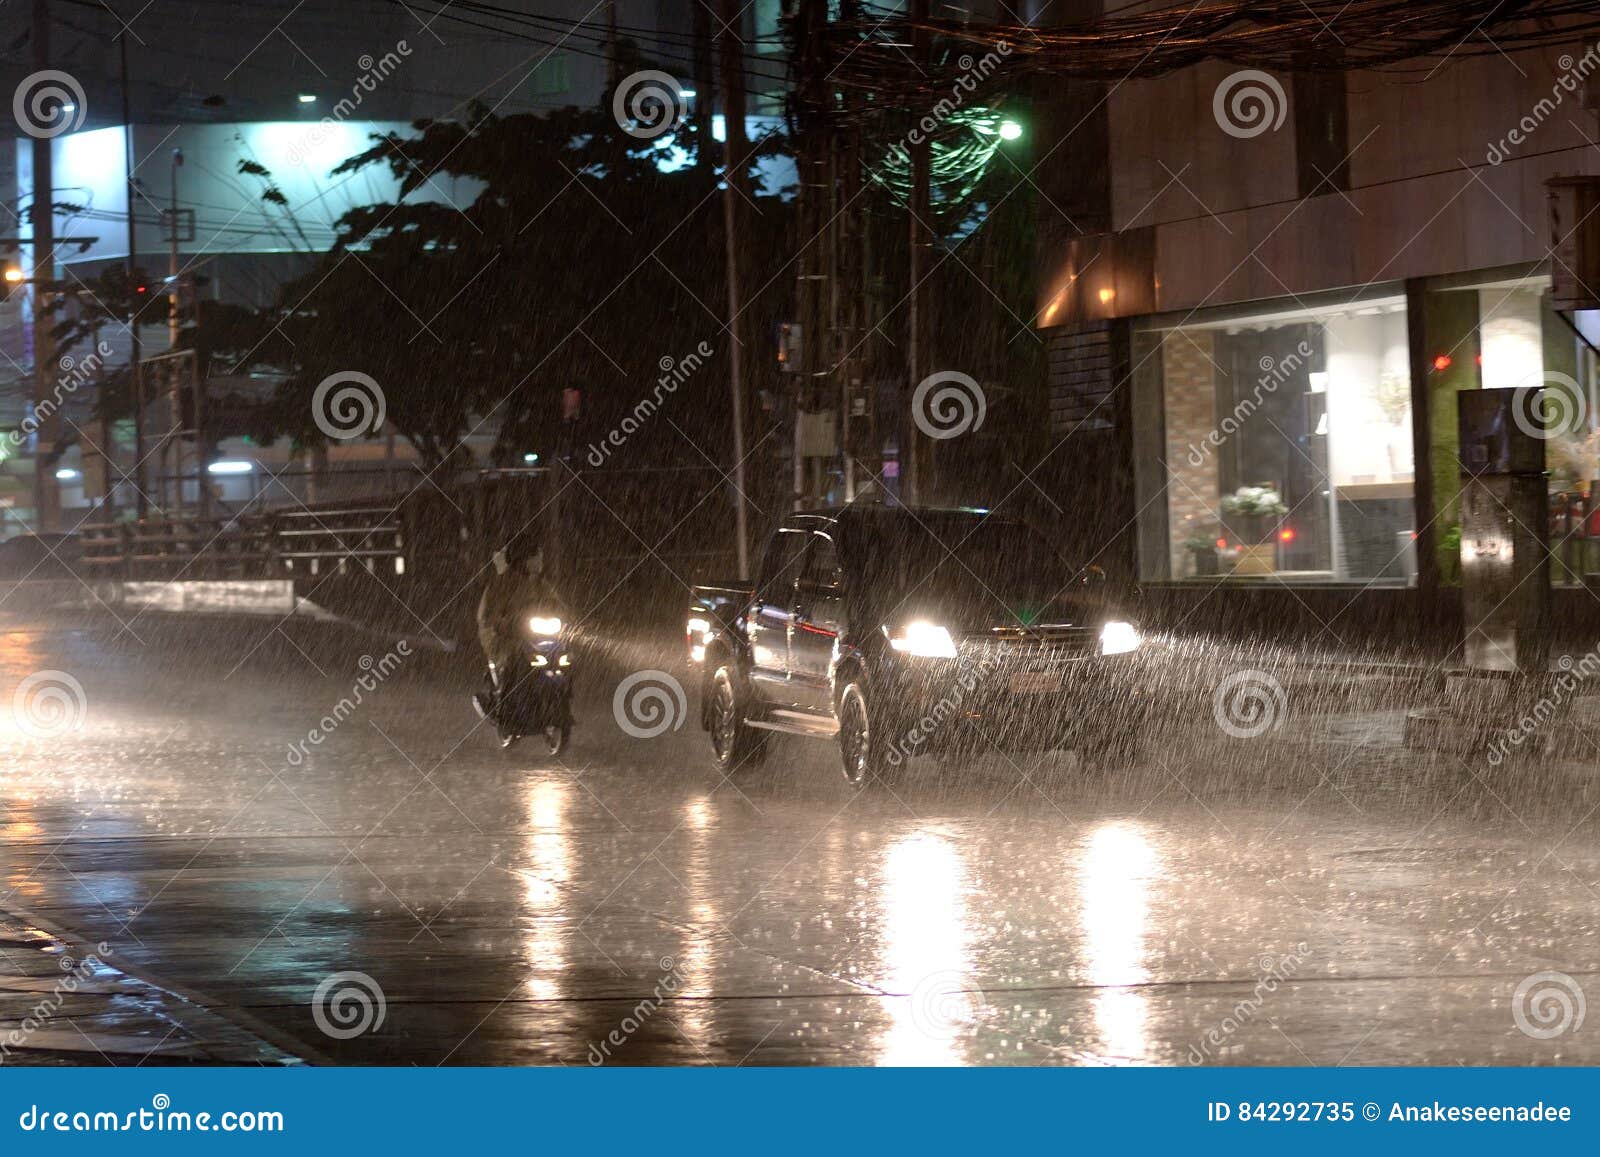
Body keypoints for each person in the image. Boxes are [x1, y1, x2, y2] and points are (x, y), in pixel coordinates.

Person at [474, 543, 562, 722]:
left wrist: (570, 620)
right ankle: (500, 708)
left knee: (562, 654)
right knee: (512, 660)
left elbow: (557, 604)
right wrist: (501, 624)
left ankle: (555, 696)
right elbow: (486, 615)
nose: (541, 561)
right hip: (500, 636)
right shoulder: (501, 583)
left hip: (532, 634)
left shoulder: (539, 583)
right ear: (525, 560)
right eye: (537, 557)